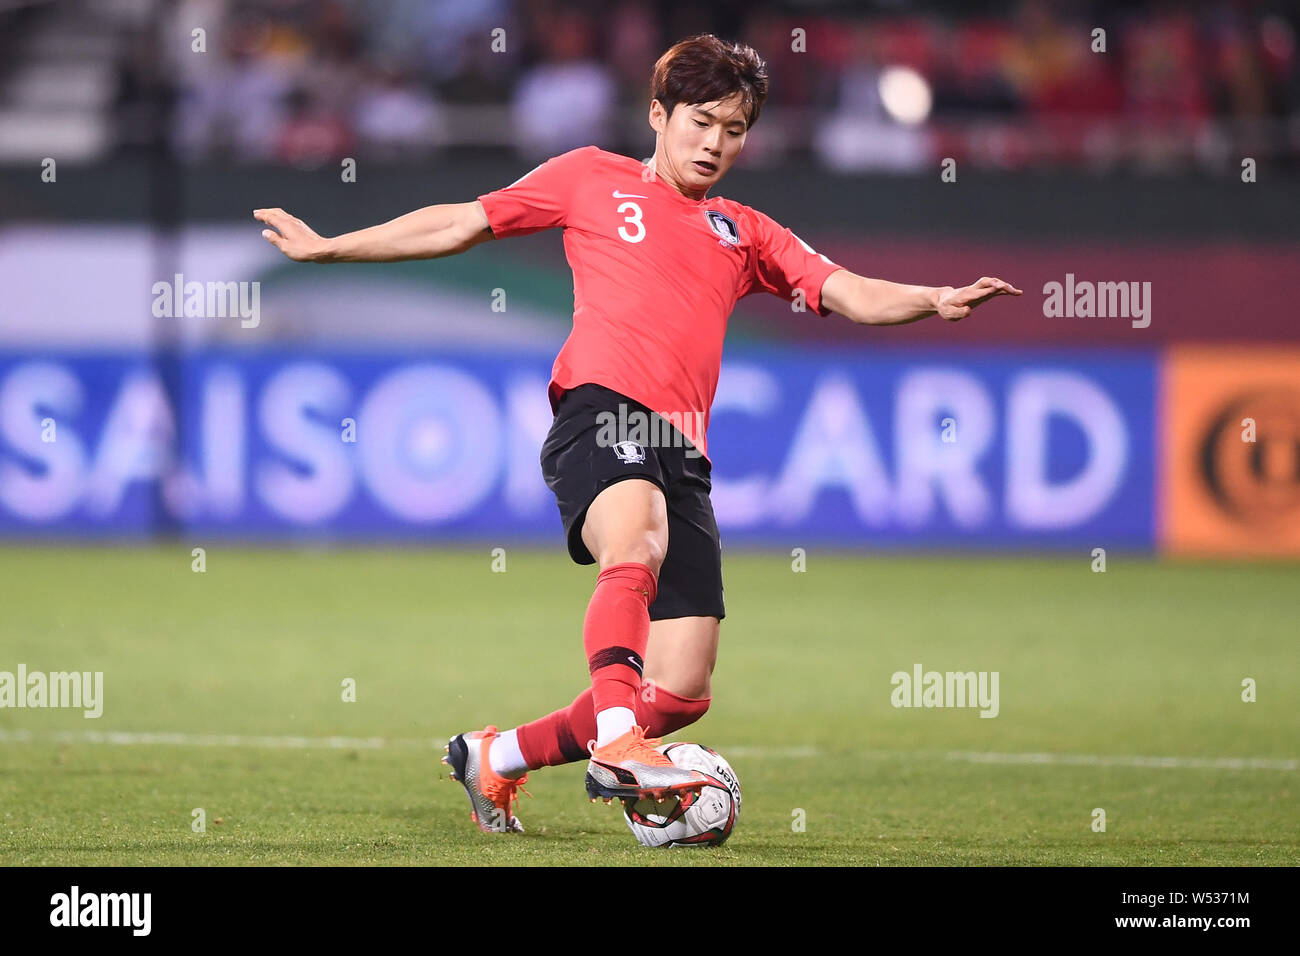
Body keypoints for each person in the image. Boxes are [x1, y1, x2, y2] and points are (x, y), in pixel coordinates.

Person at [254, 34, 1022, 834]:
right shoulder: (589, 177)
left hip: (683, 451)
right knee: (637, 545)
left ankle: (498, 757)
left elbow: (848, 291)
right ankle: (619, 743)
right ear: (658, 114)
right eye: (701, 122)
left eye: (734, 129)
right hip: (600, 411)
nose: (716, 143)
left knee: (683, 690)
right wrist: (333, 246)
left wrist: (932, 299)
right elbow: (463, 222)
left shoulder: (746, 231)